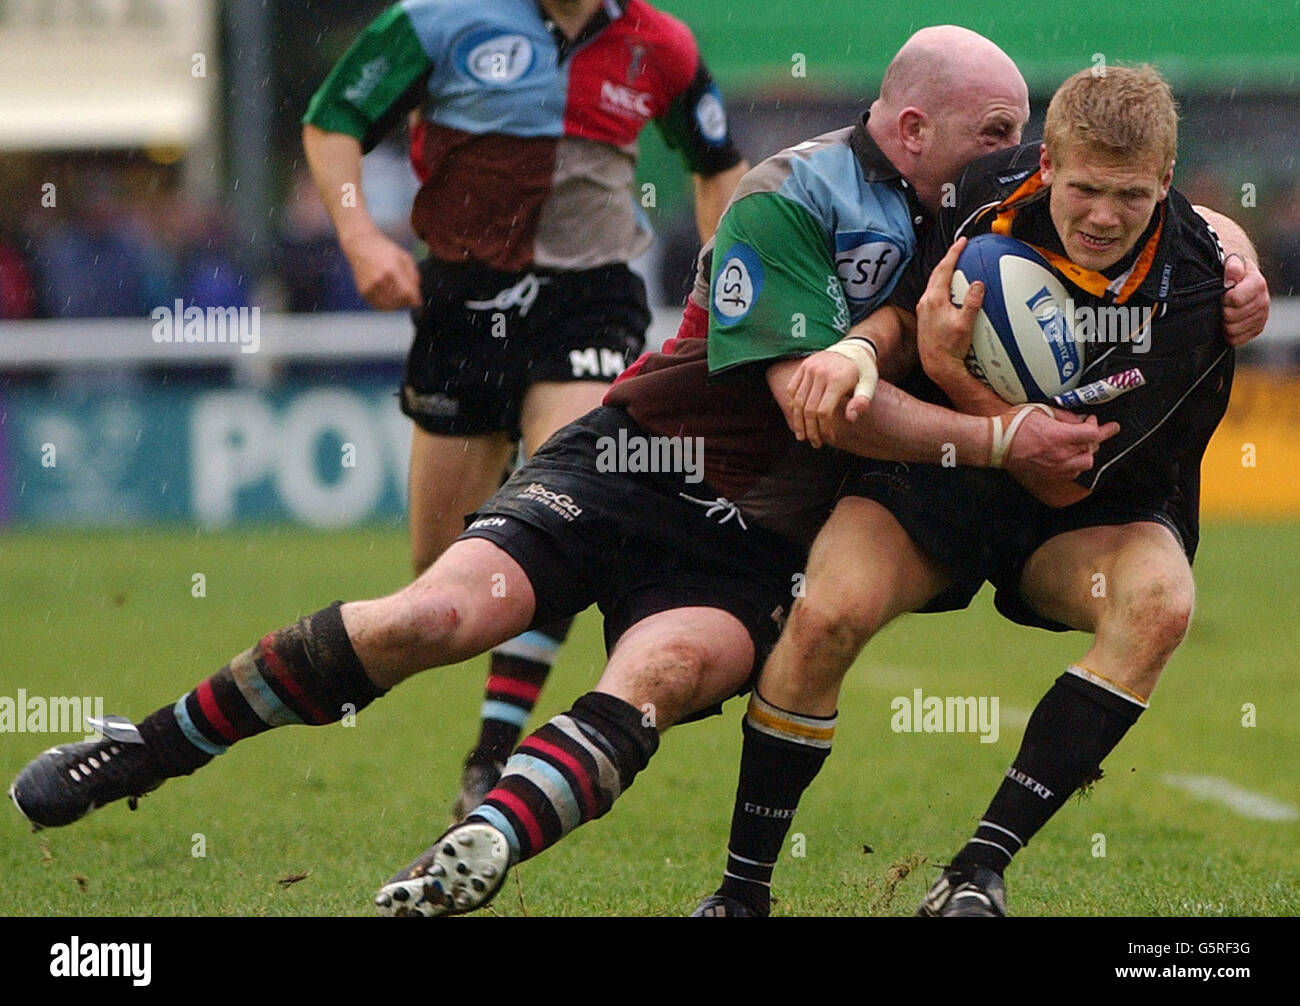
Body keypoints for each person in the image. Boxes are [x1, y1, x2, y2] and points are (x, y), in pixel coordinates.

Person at [11, 27, 1109, 916]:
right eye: (998, 132)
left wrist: (1232, 255)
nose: (1019, 157)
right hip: (634, 466)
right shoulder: (788, 196)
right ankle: (147, 750)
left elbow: (1121, 194)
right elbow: (817, 414)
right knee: (428, 617)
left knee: (662, 676)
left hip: (752, 544)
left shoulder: (981, 212)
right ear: (915, 127)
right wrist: (1001, 440)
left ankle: (478, 843)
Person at [692, 63, 1271, 918]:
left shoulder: (1195, 288)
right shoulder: (983, 192)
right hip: (941, 477)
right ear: (1045, 164)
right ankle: (740, 894)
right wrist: (862, 349)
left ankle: (974, 875)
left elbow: (1063, 467)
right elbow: (908, 303)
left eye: (1131, 196)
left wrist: (948, 373)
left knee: (1156, 605)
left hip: (1092, 502)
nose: (1103, 216)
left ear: (1167, 183)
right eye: (1083, 189)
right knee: (825, 613)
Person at [301, 0, 750, 818]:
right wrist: (362, 238)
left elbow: (719, 160)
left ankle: (495, 751)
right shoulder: (439, 19)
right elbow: (332, 120)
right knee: (440, 576)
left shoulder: (663, 42)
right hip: (465, 298)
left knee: (561, 500)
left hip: (592, 296)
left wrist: (727, 288)